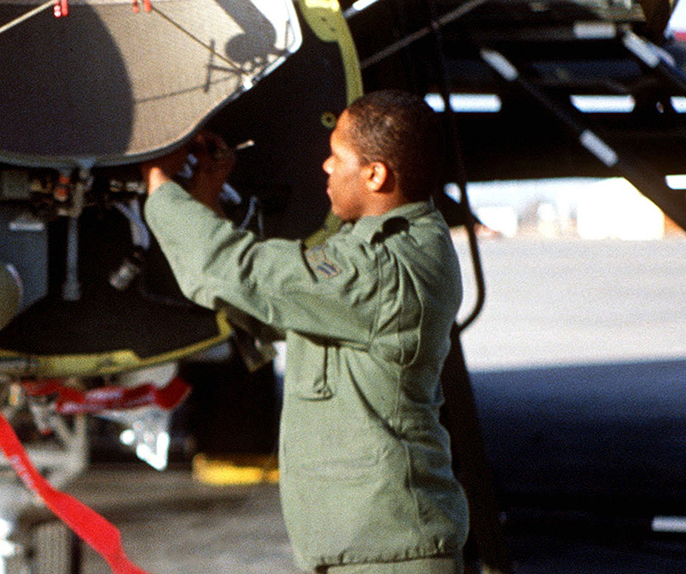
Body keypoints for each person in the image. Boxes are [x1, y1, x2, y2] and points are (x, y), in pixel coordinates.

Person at [141, 90, 469, 574]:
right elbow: (265, 301)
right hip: (367, 548)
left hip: (388, 554)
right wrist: (204, 204)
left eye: (338, 157)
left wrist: (160, 186)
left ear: (376, 175)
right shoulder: (379, 253)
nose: (326, 167)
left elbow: (246, 272)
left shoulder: (381, 269)